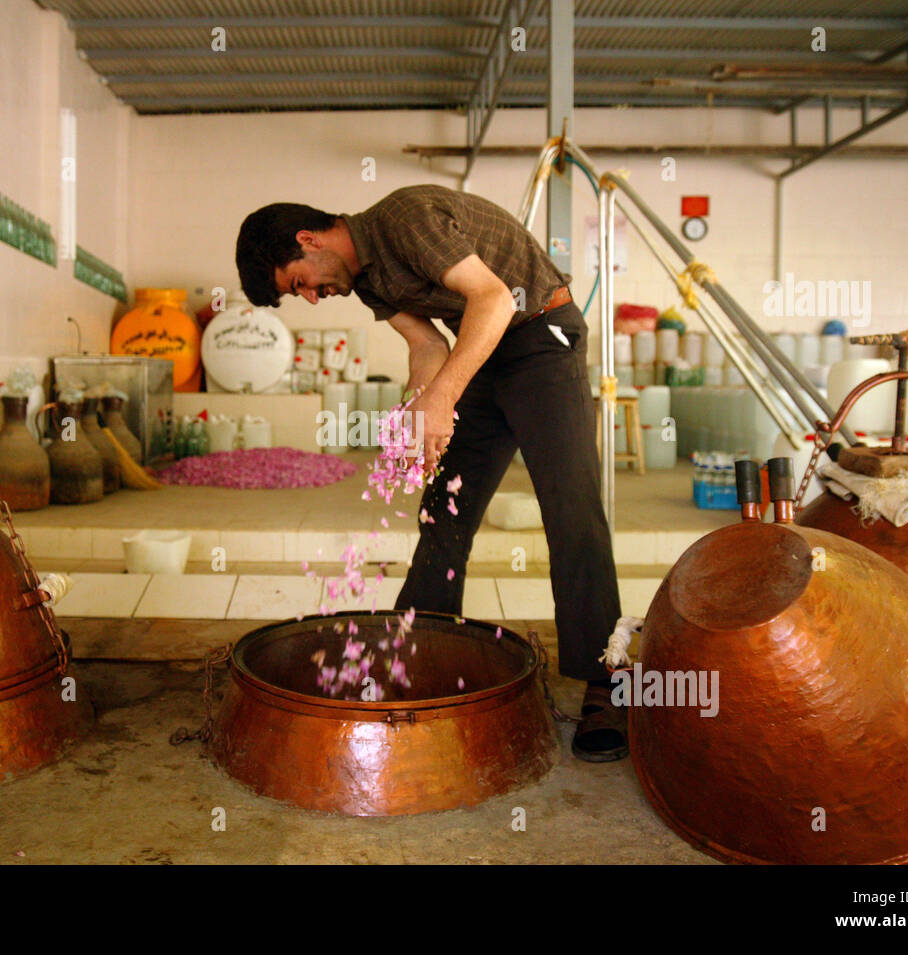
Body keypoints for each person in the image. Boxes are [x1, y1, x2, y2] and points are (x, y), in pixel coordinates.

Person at [235, 184, 625, 761]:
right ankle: (414, 653)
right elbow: (426, 345)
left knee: (571, 508)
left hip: (542, 337)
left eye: (300, 283)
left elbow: (494, 300)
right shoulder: (366, 279)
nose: (313, 299)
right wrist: (421, 414)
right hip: (483, 354)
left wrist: (443, 399)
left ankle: (607, 684)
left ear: (308, 239)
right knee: (443, 509)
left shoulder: (405, 219)